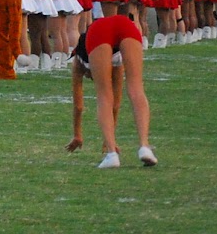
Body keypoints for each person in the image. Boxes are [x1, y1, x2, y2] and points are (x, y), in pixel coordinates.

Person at [66, 13, 156, 169]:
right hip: (125, 24)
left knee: (104, 96)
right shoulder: (115, 64)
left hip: (99, 31)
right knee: (136, 89)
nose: (89, 78)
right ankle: (144, 146)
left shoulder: (78, 64)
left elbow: (79, 106)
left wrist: (78, 135)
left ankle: (112, 155)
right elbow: (117, 104)